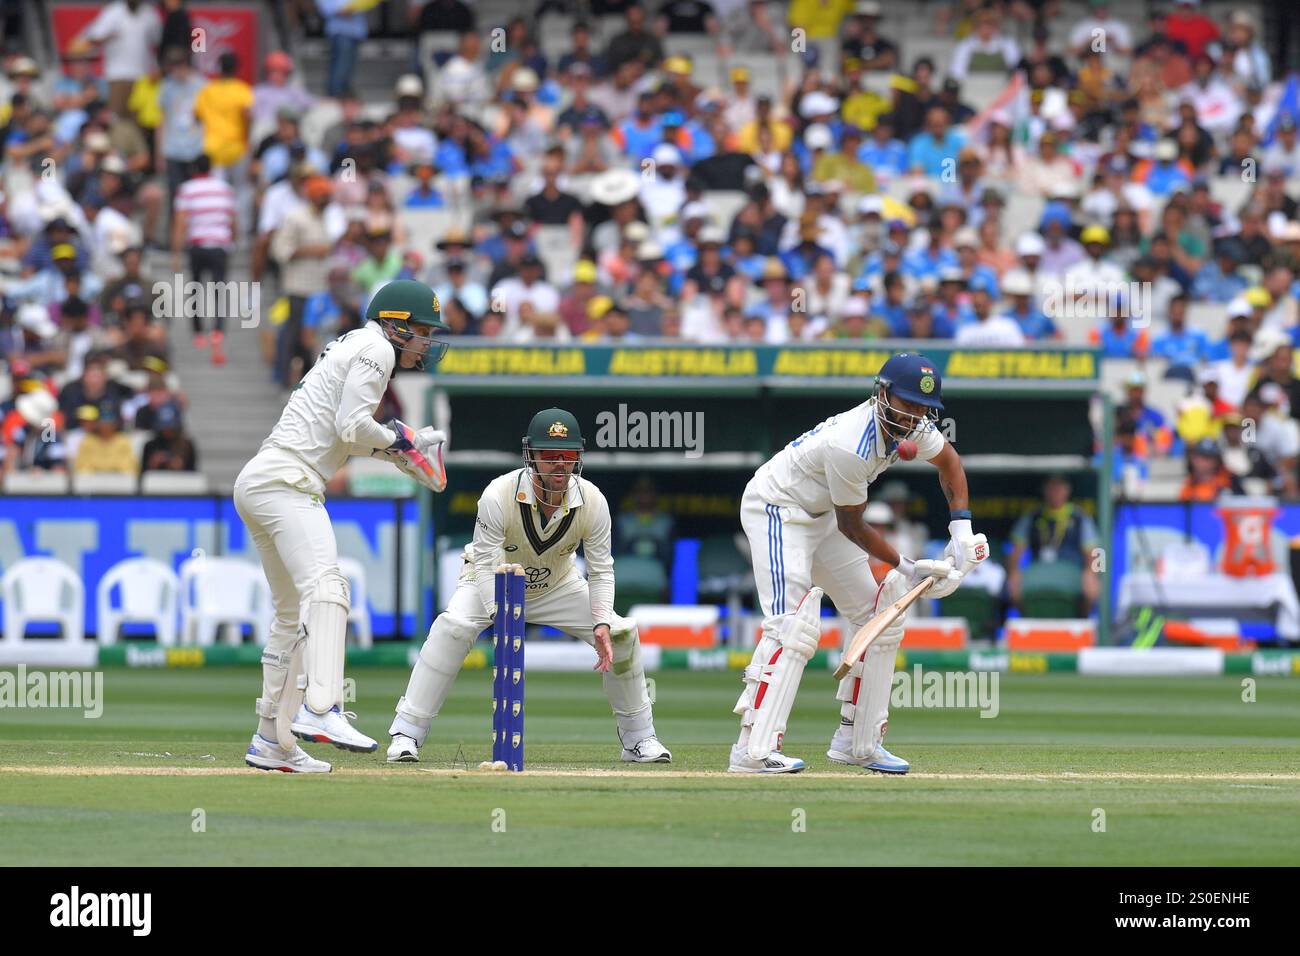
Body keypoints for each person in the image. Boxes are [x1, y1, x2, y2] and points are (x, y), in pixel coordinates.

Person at [730, 353, 988, 774]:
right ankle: (751, 751)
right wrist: (908, 566)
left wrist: (961, 531)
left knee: (880, 616)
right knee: (792, 626)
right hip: (779, 508)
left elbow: (951, 464)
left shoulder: (916, 426)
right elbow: (852, 525)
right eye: (907, 405)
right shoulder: (849, 443)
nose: (914, 418)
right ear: (882, 393)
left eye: (923, 409)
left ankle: (858, 742)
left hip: (825, 514)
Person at [235, 280, 451, 773]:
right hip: (288, 481)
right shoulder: (376, 348)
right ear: (395, 326)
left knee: (291, 617)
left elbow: (345, 431)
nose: (425, 342)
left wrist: (400, 445)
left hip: (263, 480)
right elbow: (354, 426)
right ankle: (321, 709)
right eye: (420, 331)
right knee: (328, 588)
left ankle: (272, 738)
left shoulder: (357, 344)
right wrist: (402, 442)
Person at [388, 408, 672, 765]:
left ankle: (640, 739)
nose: (559, 464)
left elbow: (601, 571)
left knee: (620, 634)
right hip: (490, 580)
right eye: (549, 455)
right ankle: (406, 733)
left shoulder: (593, 501)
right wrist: (502, 618)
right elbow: (488, 565)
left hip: (558, 584)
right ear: (531, 456)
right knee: (452, 627)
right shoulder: (497, 495)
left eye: (567, 455)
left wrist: (600, 621)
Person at [1007, 474, 1100, 615]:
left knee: (1092, 586)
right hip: (1039, 571)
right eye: (1051, 487)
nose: (1055, 492)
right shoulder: (1033, 516)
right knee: (1013, 584)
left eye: (1059, 487)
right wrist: (1013, 572)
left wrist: (1092, 573)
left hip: (1071, 571)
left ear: (1067, 490)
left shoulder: (1080, 517)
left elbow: (1096, 552)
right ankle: (1029, 620)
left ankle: (1081, 621)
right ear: (1044, 490)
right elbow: (1014, 551)